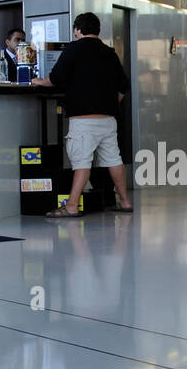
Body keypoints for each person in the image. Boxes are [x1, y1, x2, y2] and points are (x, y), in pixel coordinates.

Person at [31, 12, 133, 216]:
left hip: (83, 120)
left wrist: (39, 81)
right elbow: (124, 86)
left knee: (81, 162)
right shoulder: (109, 52)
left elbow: (56, 78)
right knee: (114, 159)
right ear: (97, 30)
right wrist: (111, 104)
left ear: (78, 29)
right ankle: (124, 202)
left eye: (75, 29)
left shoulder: (73, 49)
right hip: (108, 119)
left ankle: (71, 206)